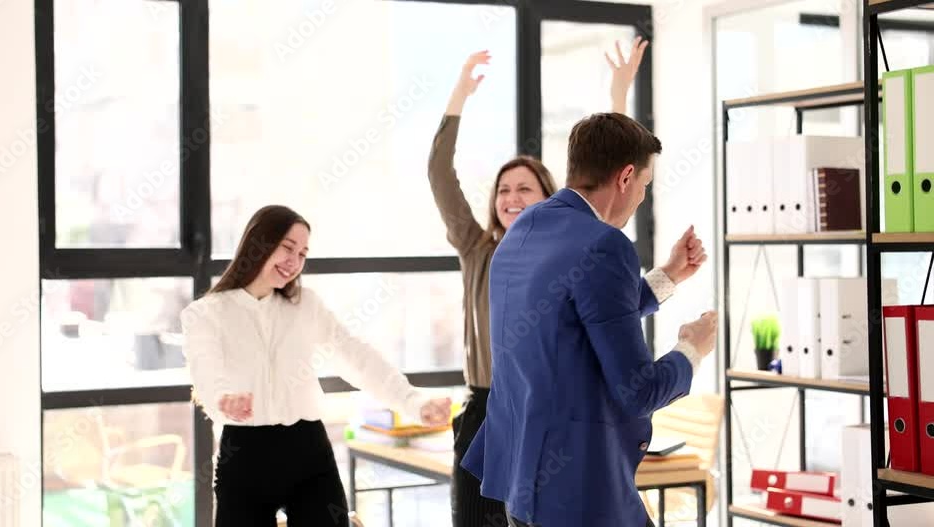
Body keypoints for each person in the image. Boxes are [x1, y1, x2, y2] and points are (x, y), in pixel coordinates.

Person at [428, 39, 650, 527]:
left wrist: (618, 94)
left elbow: (612, 179)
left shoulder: (580, 249)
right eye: (503, 190)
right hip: (488, 413)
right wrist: (458, 96)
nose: (510, 197)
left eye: (523, 188)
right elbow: (441, 175)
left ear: (550, 195)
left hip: (545, 418)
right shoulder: (478, 249)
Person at [460, 112, 718, 527]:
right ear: (626, 177)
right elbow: (638, 391)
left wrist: (668, 276)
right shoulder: (605, 244)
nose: (641, 198)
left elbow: (576, 315)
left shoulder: (525, 228)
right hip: (577, 492)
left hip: (522, 483)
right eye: (645, 186)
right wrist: (692, 349)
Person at [180, 205, 452, 526]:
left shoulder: (306, 306)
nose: (294, 262)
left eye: (303, 253)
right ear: (259, 243)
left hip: (307, 450)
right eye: (287, 248)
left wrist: (413, 401)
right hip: (244, 455)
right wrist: (224, 399)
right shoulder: (206, 313)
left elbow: (357, 357)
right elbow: (206, 370)